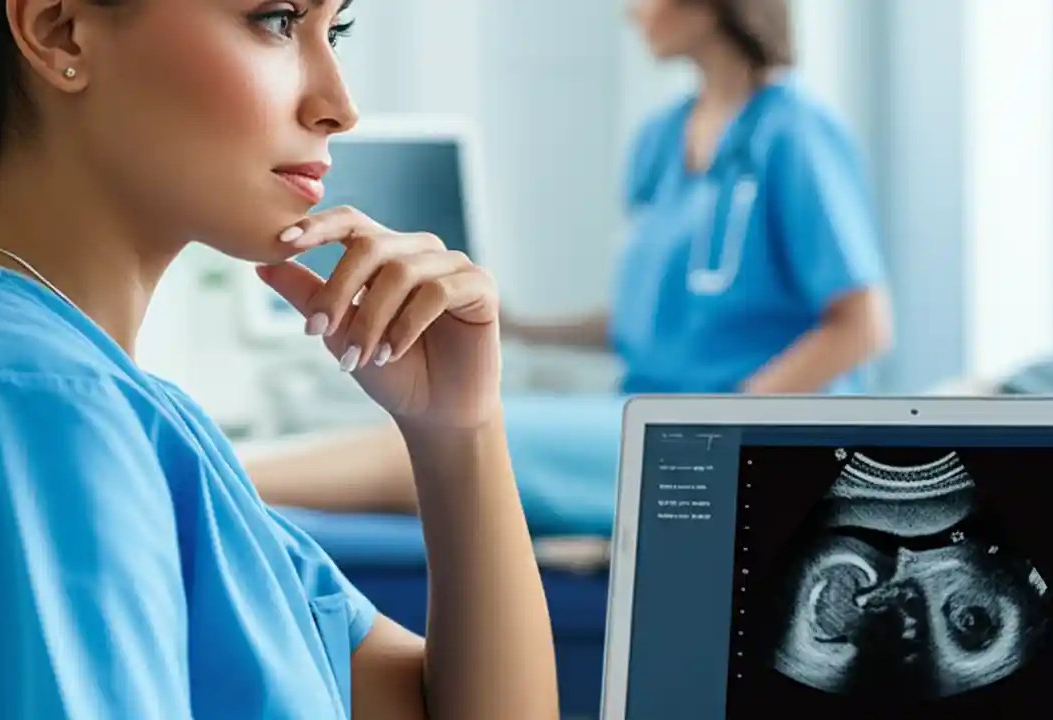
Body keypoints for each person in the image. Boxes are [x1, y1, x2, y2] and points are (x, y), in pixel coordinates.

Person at [0, 1, 558, 718]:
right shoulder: (34, 407)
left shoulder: (104, 402)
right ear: (61, 31)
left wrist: (459, 432)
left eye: (338, 31)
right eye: (277, 19)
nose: (339, 105)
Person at [246, 0, 893, 534]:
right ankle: (224, 471)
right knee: (461, 422)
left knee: (479, 441)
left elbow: (861, 325)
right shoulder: (664, 138)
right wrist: (518, 325)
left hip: (744, 440)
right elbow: (655, 319)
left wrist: (721, 423)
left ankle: (218, 476)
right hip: (648, 411)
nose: (632, 13)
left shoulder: (796, 133)